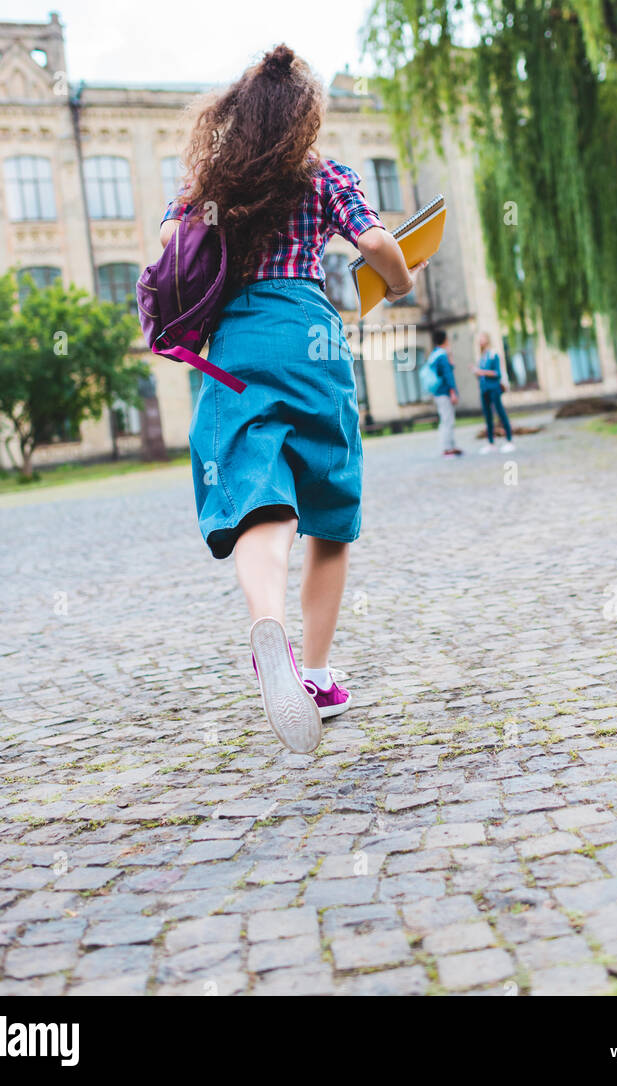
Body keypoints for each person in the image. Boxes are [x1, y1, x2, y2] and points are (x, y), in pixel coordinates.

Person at [159, 45, 426, 755]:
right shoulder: (325, 174)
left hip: (238, 341)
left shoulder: (213, 179)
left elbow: (169, 243)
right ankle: (313, 673)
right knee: (328, 509)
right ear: (303, 119)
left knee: (257, 492)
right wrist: (398, 284)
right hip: (310, 336)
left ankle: (263, 626)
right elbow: (376, 245)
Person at [473, 331, 516, 454]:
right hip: (484, 388)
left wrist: (482, 372)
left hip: (494, 388)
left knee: (501, 413)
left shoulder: (493, 355)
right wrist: (477, 372)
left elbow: (497, 373)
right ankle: (491, 442)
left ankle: (509, 440)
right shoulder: (482, 357)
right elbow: (481, 374)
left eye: (482, 337)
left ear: (487, 339)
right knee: (488, 416)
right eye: (479, 338)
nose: (480, 340)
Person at [429, 329, 462, 457]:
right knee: (448, 420)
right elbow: (448, 375)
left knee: (445, 419)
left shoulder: (434, 355)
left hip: (438, 392)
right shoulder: (442, 355)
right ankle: (448, 447)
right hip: (445, 392)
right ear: (445, 340)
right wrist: (453, 392)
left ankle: (450, 445)